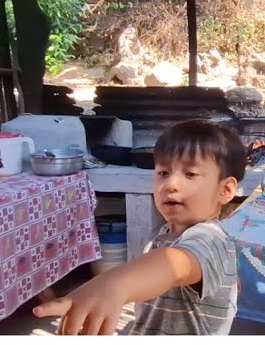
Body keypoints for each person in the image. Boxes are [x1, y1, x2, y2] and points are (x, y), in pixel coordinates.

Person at [33, 120, 244, 335]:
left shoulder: (210, 238)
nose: (171, 184)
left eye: (190, 174)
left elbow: (174, 265)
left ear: (225, 189)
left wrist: (114, 284)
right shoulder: (165, 235)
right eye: (163, 173)